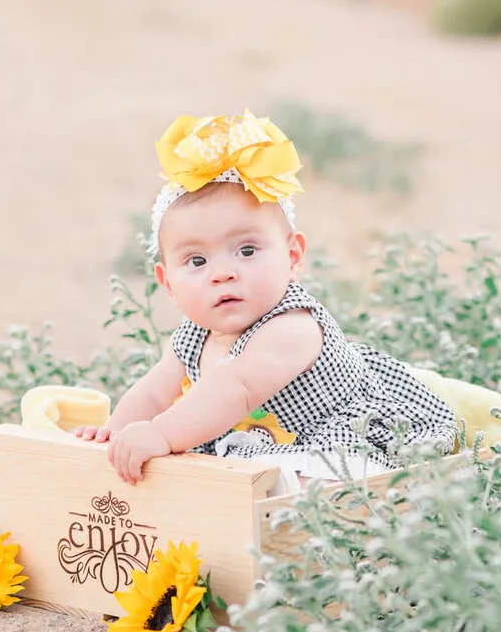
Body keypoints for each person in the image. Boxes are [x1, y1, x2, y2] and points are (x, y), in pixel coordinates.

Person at [79, 113, 452, 488]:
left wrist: (159, 434)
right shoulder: (194, 336)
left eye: (246, 250)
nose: (222, 273)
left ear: (292, 257)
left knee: (326, 482)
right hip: (265, 447)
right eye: (197, 261)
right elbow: (153, 391)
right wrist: (116, 434)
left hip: (338, 435)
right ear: (168, 283)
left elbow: (235, 388)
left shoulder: (293, 326)